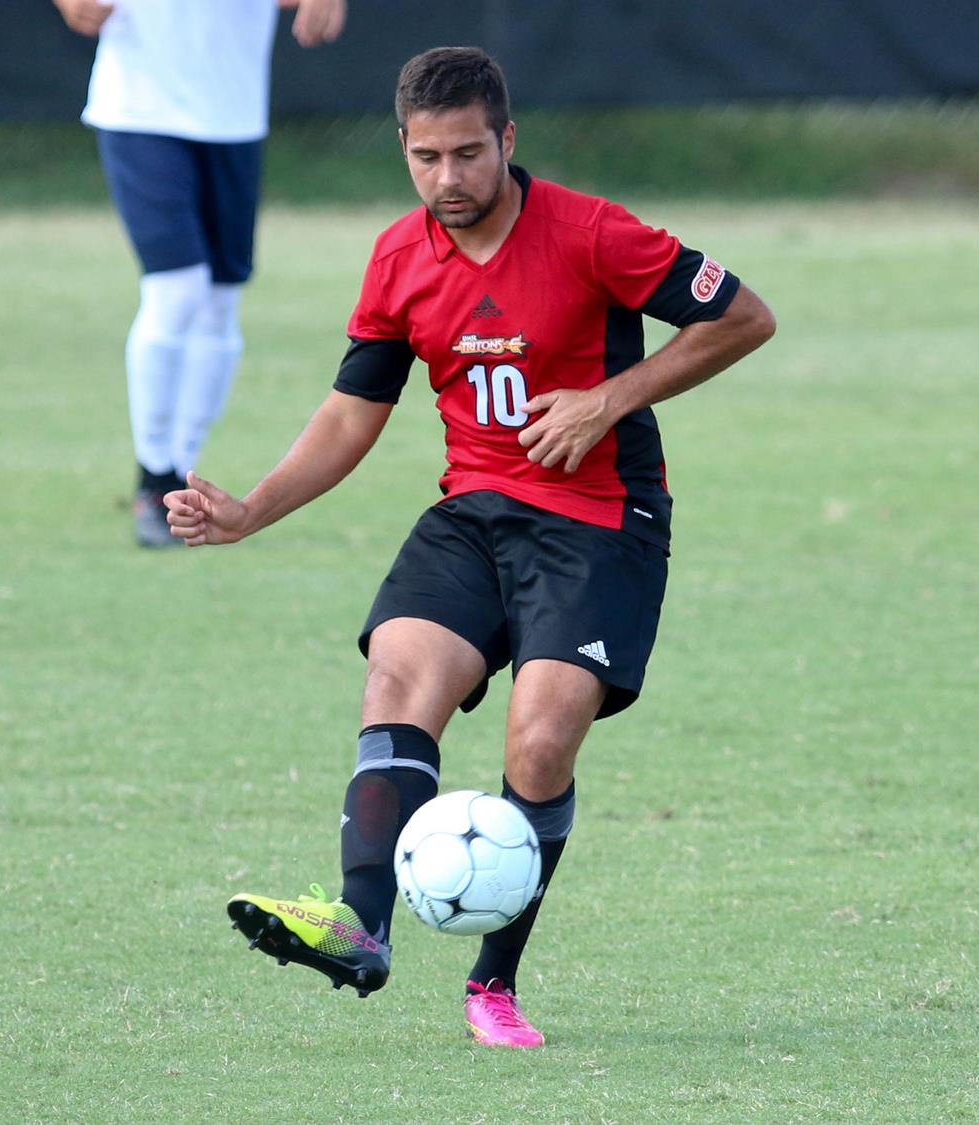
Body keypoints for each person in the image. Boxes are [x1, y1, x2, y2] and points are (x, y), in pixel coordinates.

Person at [165, 47, 775, 1047]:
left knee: (537, 744)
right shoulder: (399, 257)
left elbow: (743, 318)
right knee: (398, 678)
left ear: (507, 140)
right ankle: (361, 926)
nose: (446, 179)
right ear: (403, 148)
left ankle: (492, 985)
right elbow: (352, 413)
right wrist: (249, 511)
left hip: (599, 521)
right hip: (474, 513)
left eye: (465, 154)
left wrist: (608, 399)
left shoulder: (591, 232)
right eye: (423, 158)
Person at [52, 0, 347, 545]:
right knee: (178, 287)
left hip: (231, 111)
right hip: (140, 107)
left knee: (218, 301)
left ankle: (180, 481)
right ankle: (152, 478)